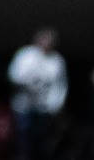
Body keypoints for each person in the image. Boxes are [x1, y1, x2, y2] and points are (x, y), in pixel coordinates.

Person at [10, 26, 69, 160]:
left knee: (42, 139)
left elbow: (60, 85)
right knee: (23, 138)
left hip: (45, 108)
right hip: (24, 106)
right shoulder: (25, 55)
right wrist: (29, 81)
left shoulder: (57, 60)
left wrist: (57, 105)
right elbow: (14, 75)